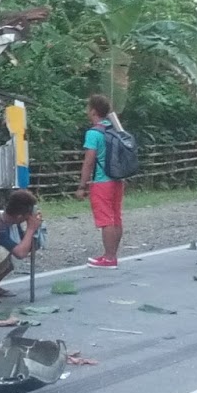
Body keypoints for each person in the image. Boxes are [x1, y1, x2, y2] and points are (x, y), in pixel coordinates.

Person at [76, 93, 124, 268]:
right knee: (116, 217)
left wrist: (82, 185)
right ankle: (112, 255)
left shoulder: (93, 133)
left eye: (88, 108)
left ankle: (109, 258)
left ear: (94, 111)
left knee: (106, 220)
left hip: (102, 180)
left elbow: (89, 161)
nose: (87, 112)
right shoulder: (114, 128)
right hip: (118, 179)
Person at [0, 189, 42, 303]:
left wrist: (36, 229)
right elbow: (21, 253)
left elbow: (27, 247)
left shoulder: (14, 223)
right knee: (2, 254)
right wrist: (30, 229)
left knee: (9, 261)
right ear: (20, 216)